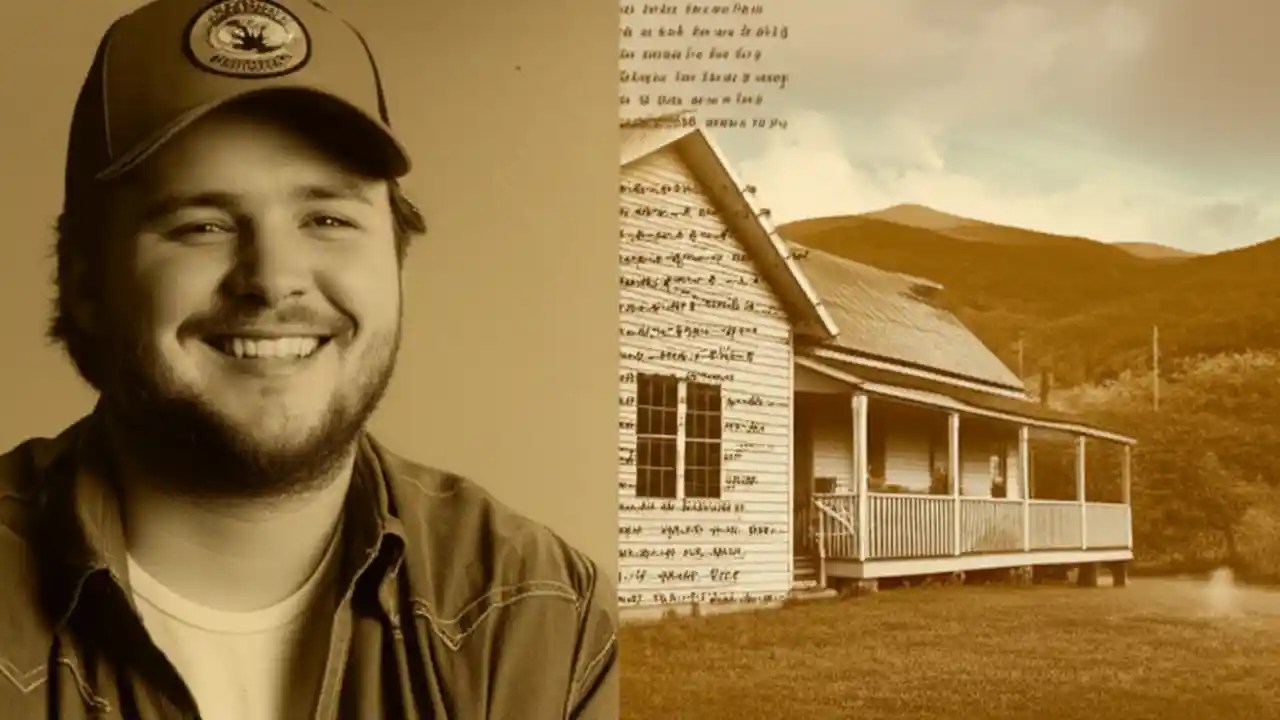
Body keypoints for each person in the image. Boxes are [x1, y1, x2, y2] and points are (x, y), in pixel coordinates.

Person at [0, 0, 618, 718]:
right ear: (83, 283)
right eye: (201, 225)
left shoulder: (542, 619)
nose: (272, 279)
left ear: (396, 265)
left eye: (327, 219)